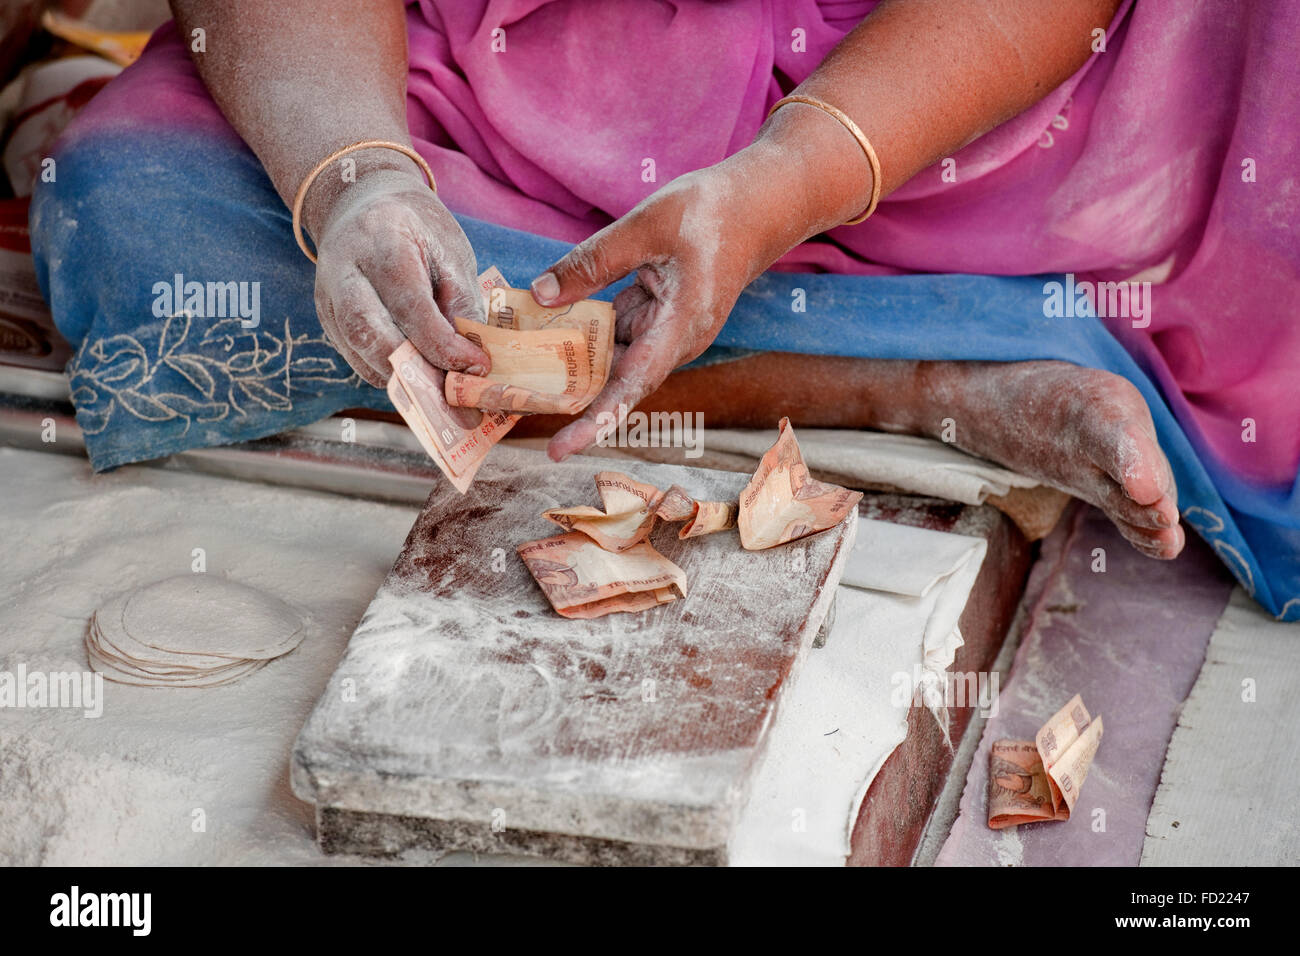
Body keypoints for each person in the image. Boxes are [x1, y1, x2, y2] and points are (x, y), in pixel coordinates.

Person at [29, 0, 1299, 617]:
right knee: (138, 213)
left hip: (949, 108)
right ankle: (920, 382)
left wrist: (776, 186)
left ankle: (918, 319)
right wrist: (354, 176)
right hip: (511, 86)